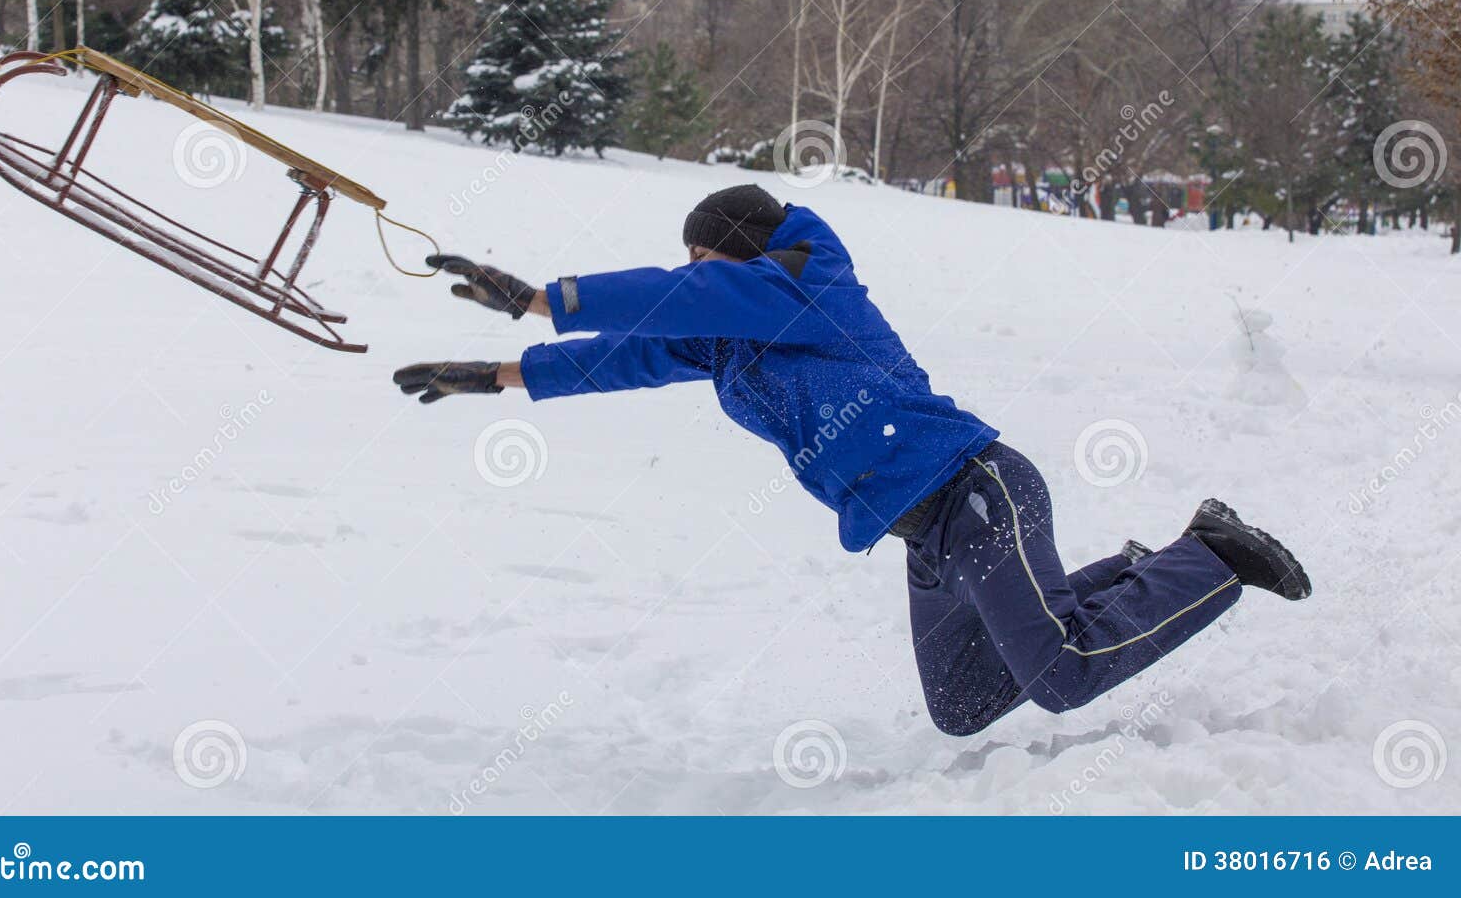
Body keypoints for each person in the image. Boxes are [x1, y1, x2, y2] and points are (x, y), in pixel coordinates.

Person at [394, 184, 1311, 735]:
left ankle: (1214, 554)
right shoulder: (733, 331)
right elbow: (634, 351)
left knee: (1062, 676)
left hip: (976, 493)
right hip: (926, 537)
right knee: (960, 703)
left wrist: (544, 295)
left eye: (701, 259)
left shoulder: (804, 286)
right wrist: (500, 374)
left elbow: (683, 295)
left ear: (742, 254)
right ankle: (1139, 573)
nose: (691, 277)